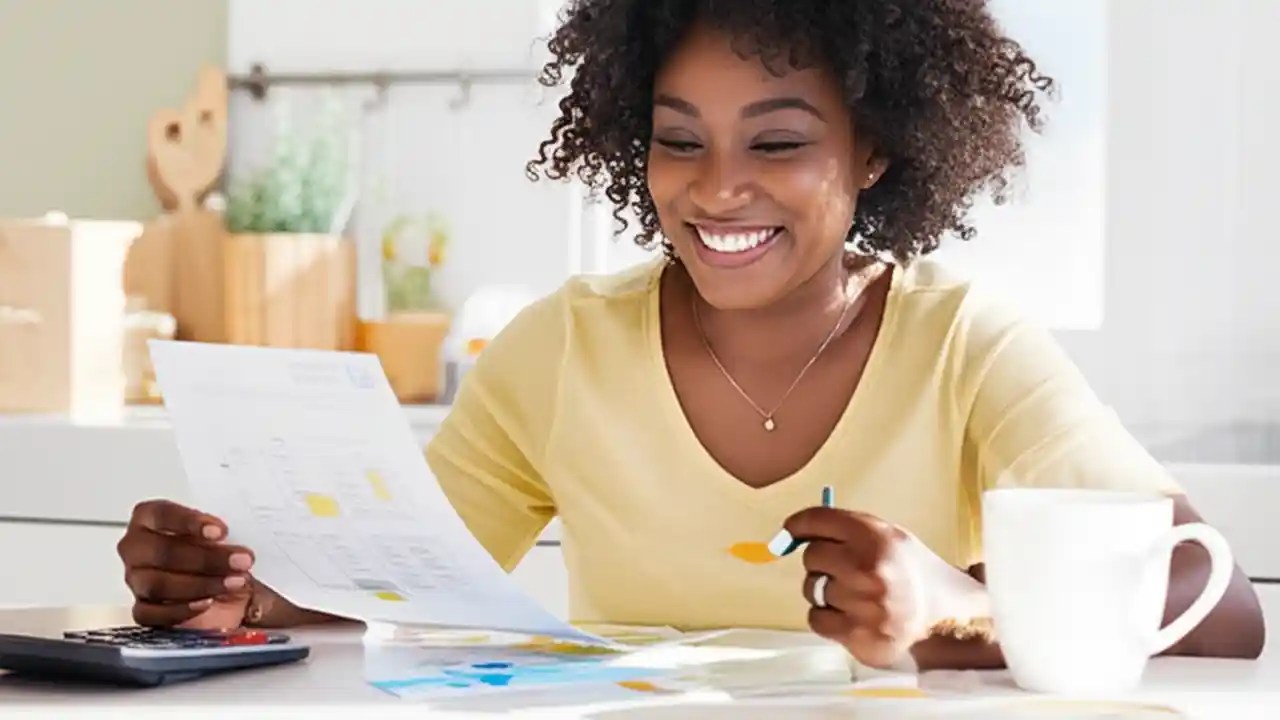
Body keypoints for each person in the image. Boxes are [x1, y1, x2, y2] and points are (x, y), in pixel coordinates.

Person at [117, 0, 1266, 671]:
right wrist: (242, 594)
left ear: (873, 151)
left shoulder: (963, 342)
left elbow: (1222, 611)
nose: (717, 192)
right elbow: (397, 580)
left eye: (775, 144)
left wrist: (954, 606)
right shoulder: (563, 346)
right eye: (679, 141)